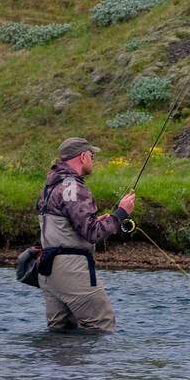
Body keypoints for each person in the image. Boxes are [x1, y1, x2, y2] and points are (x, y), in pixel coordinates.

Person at [35, 137, 136, 332]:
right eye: (92, 155)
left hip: (48, 270)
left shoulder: (51, 186)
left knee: (61, 332)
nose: (93, 160)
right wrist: (121, 213)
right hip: (71, 268)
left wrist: (97, 221)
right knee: (103, 325)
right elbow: (92, 233)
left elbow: (64, 226)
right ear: (82, 156)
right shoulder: (73, 187)